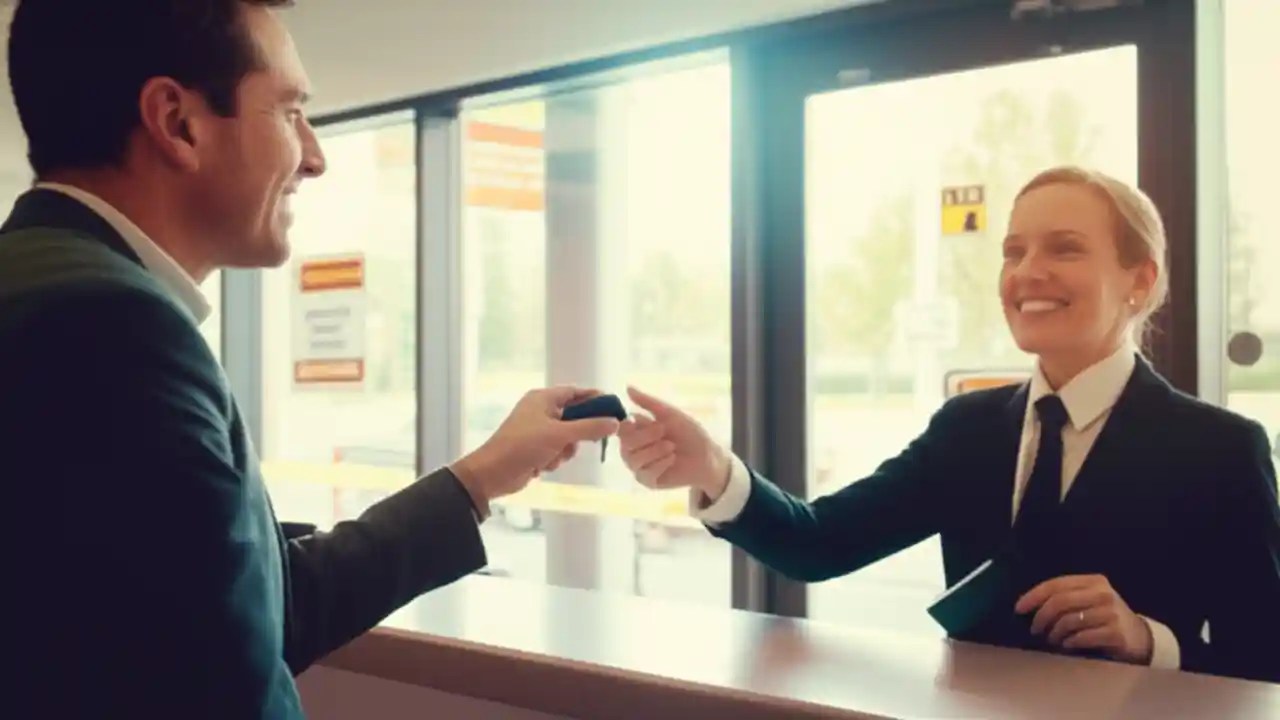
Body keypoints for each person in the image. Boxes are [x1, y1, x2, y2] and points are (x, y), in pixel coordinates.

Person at [0, 1, 618, 717]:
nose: (315, 157)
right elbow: (219, 689)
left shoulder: (42, 284)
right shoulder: (114, 327)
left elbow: (247, 612)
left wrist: (480, 477)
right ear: (177, 122)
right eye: (290, 111)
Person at [618, 166, 1280, 683]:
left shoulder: (1220, 451)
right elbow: (818, 544)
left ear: (1140, 281)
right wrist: (711, 468)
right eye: (1013, 250)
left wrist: (1147, 639)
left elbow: (1264, 661)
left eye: (1065, 248)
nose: (1027, 273)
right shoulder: (967, 430)